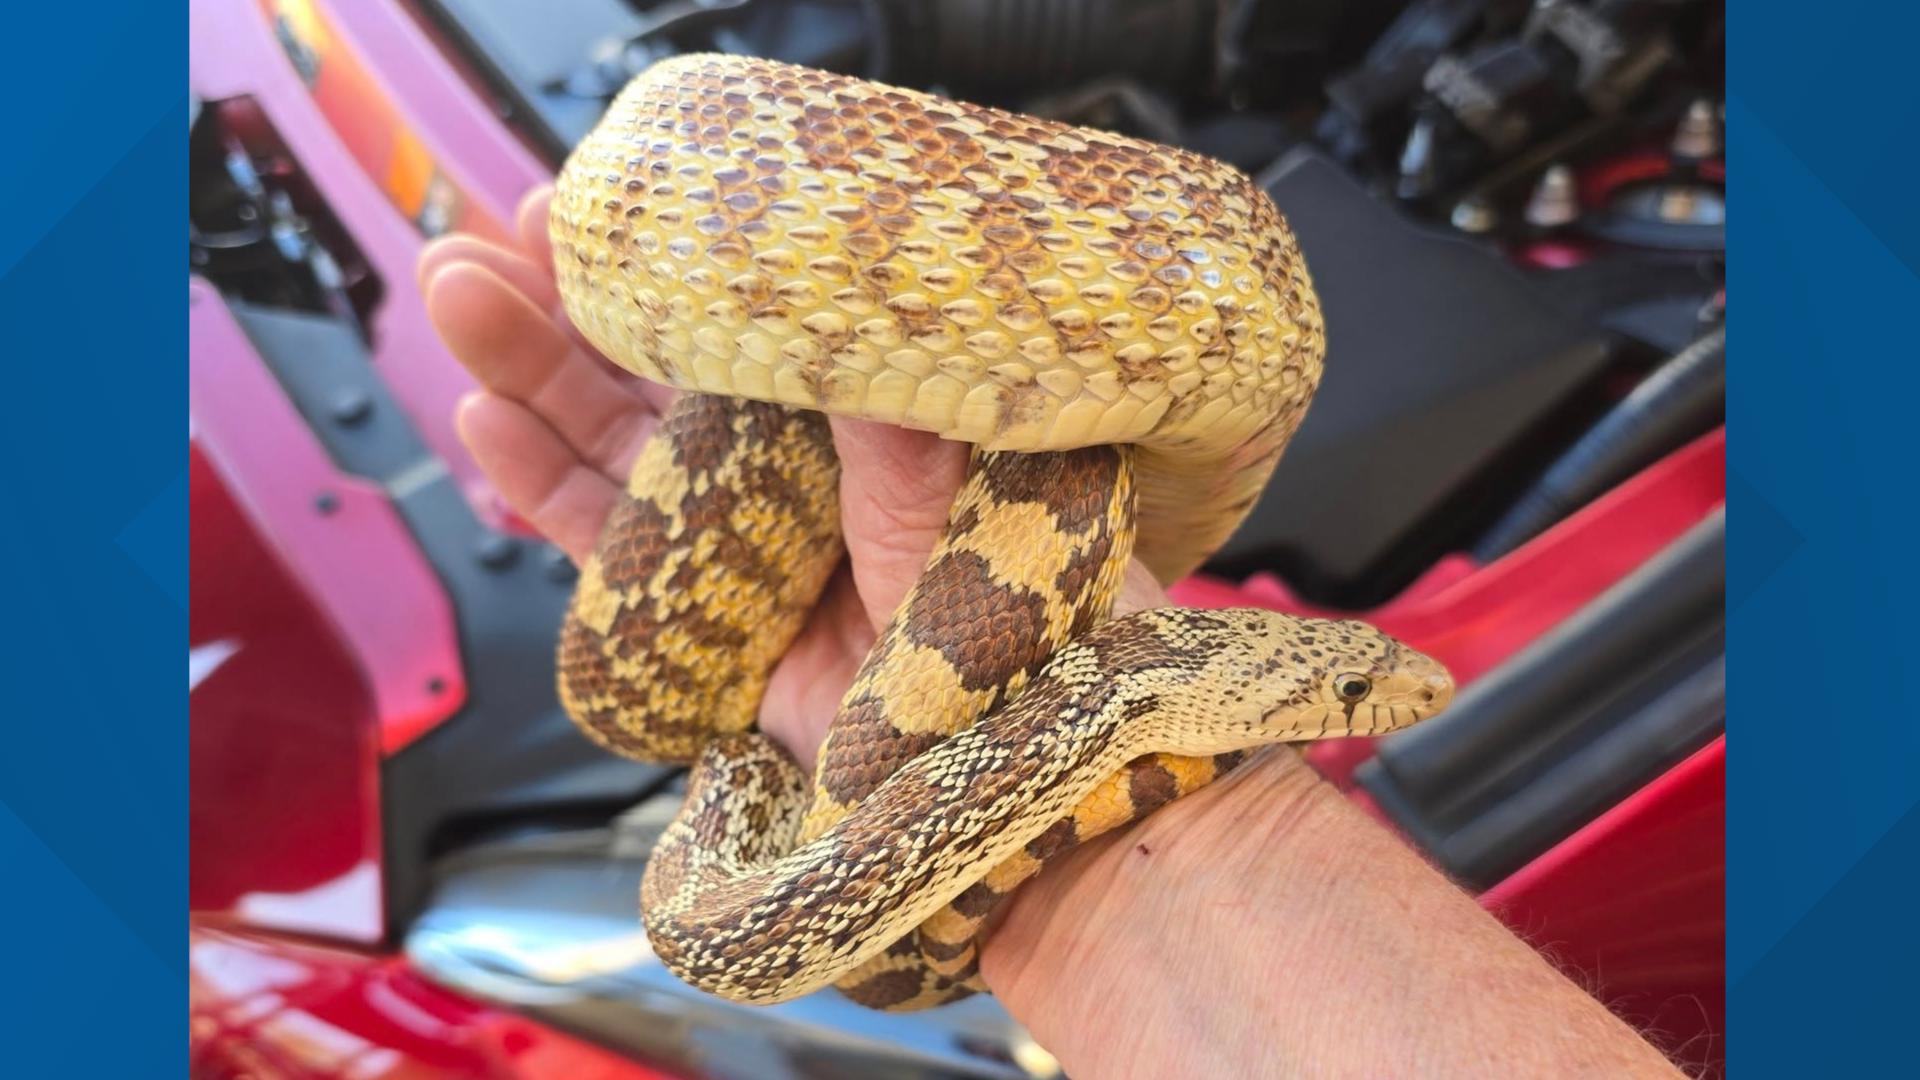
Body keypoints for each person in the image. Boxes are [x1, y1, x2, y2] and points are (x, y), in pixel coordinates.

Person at [418, 186, 1688, 1079]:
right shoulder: (1100, 680)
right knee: (661, 727)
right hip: (861, 737)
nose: (1377, 697)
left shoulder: (1125, 678)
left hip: (964, 723)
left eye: (1347, 692)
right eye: (1345, 692)